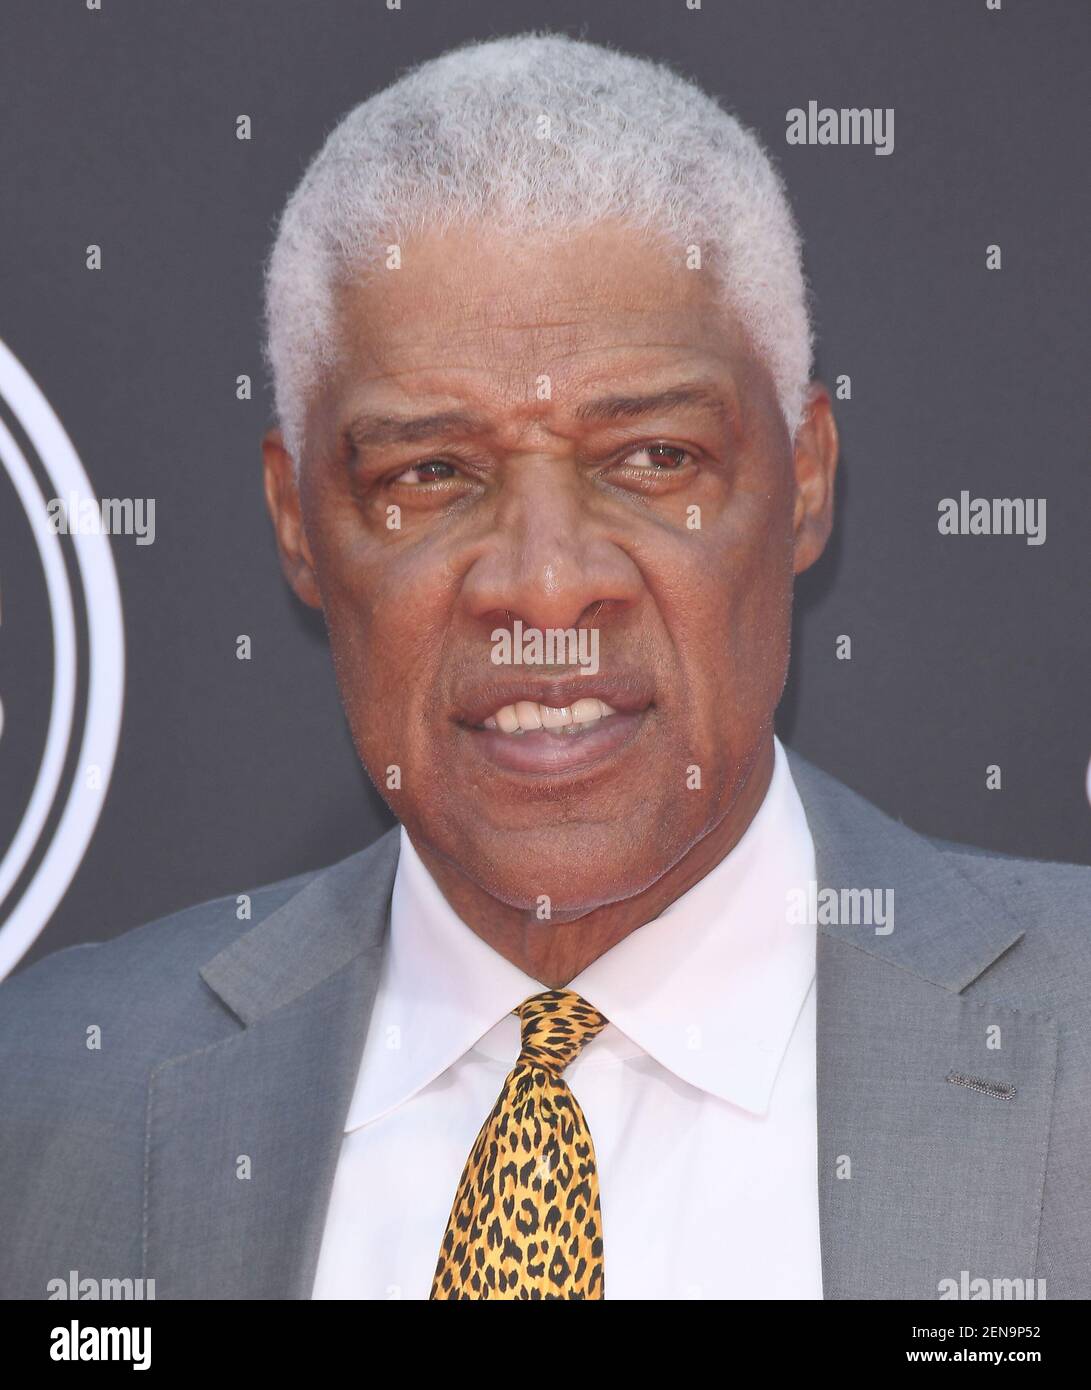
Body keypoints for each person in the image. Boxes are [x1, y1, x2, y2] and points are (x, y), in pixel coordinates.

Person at [1, 33, 1087, 1302]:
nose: (544, 586)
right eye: (429, 473)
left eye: (651, 458)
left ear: (804, 478)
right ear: (297, 522)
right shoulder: (52, 1097)